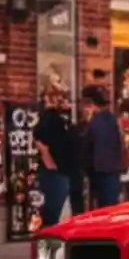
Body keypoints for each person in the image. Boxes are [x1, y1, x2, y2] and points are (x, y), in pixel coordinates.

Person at [32, 88, 79, 227]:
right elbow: (43, 144)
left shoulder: (52, 119)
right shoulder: (53, 120)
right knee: (52, 213)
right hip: (56, 170)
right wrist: (50, 161)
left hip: (56, 170)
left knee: (51, 212)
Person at [80, 85, 125, 208]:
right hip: (112, 172)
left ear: (92, 105)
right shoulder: (112, 120)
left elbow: (88, 149)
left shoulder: (94, 123)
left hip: (100, 174)